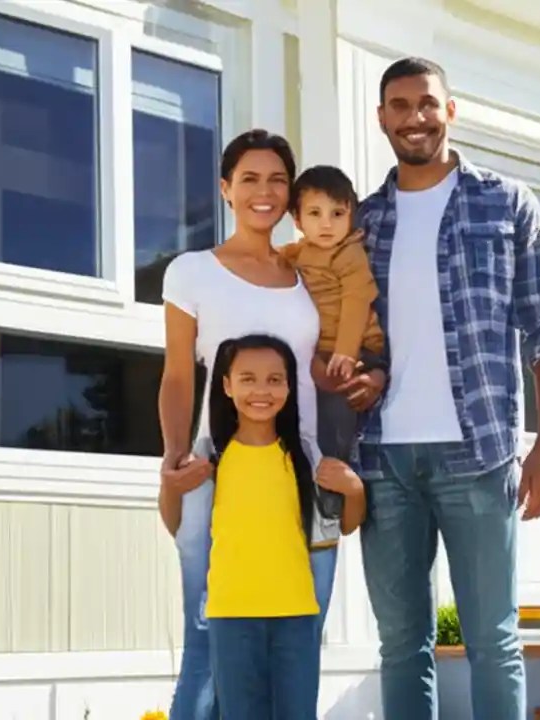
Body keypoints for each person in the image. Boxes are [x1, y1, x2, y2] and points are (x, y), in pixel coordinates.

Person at [351, 57, 540, 720]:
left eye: (426, 103)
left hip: (478, 455)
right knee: (401, 645)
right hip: (383, 458)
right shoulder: (363, 223)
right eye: (398, 105)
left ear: (451, 111)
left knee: (494, 641)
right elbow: (345, 333)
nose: (413, 117)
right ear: (381, 118)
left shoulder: (505, 204)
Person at [156, 129, 378, 720]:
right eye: (250, 178)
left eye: (278, 179)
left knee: (300, 639)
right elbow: (179, 374)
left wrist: (362, 380)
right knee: (206, 644)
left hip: (304, 467)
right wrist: (176, 455)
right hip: (219, 466)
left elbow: (318, 367)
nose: (265, 191)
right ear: (226, 189)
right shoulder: (192, 271)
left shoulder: (304, 270)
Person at [203, 334, 366, 720]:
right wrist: (171, 488)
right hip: (231, 616)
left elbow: (343, 526)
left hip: (296, 617)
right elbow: (176, 521)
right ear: (226, 385)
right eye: (248, 378)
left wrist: (355, 490)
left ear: (290, 387)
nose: (262, 390)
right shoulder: (211, 459)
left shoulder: (306, 458)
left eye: (275, 379)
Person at [280, 165, 387, 522]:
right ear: (297, 219)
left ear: (352, 216)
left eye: (337, 214)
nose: (327, 224)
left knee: (337, 414)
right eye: (315, 214)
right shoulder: (298, 253)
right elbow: (276, 262)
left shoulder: (349, 254)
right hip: (319, 350)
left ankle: (332, 494)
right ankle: (302, 485)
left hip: (355, 349)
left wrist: (346, 351)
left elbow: (356, 301)